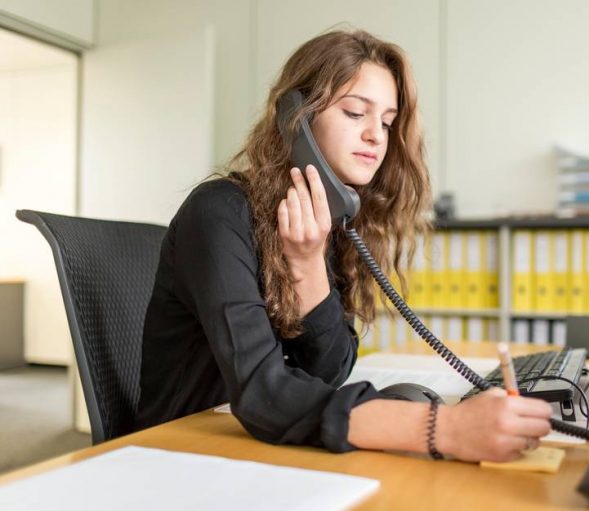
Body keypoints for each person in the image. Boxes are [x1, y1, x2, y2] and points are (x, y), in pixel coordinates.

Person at [135, 29, 551, 462]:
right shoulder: (219, 213)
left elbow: (328, 370)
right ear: (297, 119)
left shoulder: (331, 223)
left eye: (387, 122)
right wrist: (442, 428)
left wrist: (307, 263)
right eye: (355, 112)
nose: (376, 135)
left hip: (261, 448)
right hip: (177, 452)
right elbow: (264, 392)